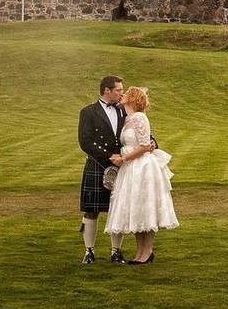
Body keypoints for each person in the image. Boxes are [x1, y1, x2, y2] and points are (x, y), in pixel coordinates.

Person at [105, 86, 179, 264]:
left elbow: (145, 145)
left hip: (142, 167)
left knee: (146, 206)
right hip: (130, 168)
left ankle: (147, 251)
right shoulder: (128, 119)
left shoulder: (140, 117)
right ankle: (140, 252)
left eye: (127, 93)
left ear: (133, 99)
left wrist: (124, 158)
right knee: (136, 207)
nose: (122, 95)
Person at [77, 75, 134, 264]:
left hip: (121, 165)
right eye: (118, 90)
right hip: (98, 163)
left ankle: (116, 251)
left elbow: (138, 131)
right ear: (106, 91)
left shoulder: (124, 111)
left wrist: (151, 143)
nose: (122, 93)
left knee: (117, 209)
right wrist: (109, 156)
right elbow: (85, 142)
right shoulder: (88, 112)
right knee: (91, 210)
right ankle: (89, 251)